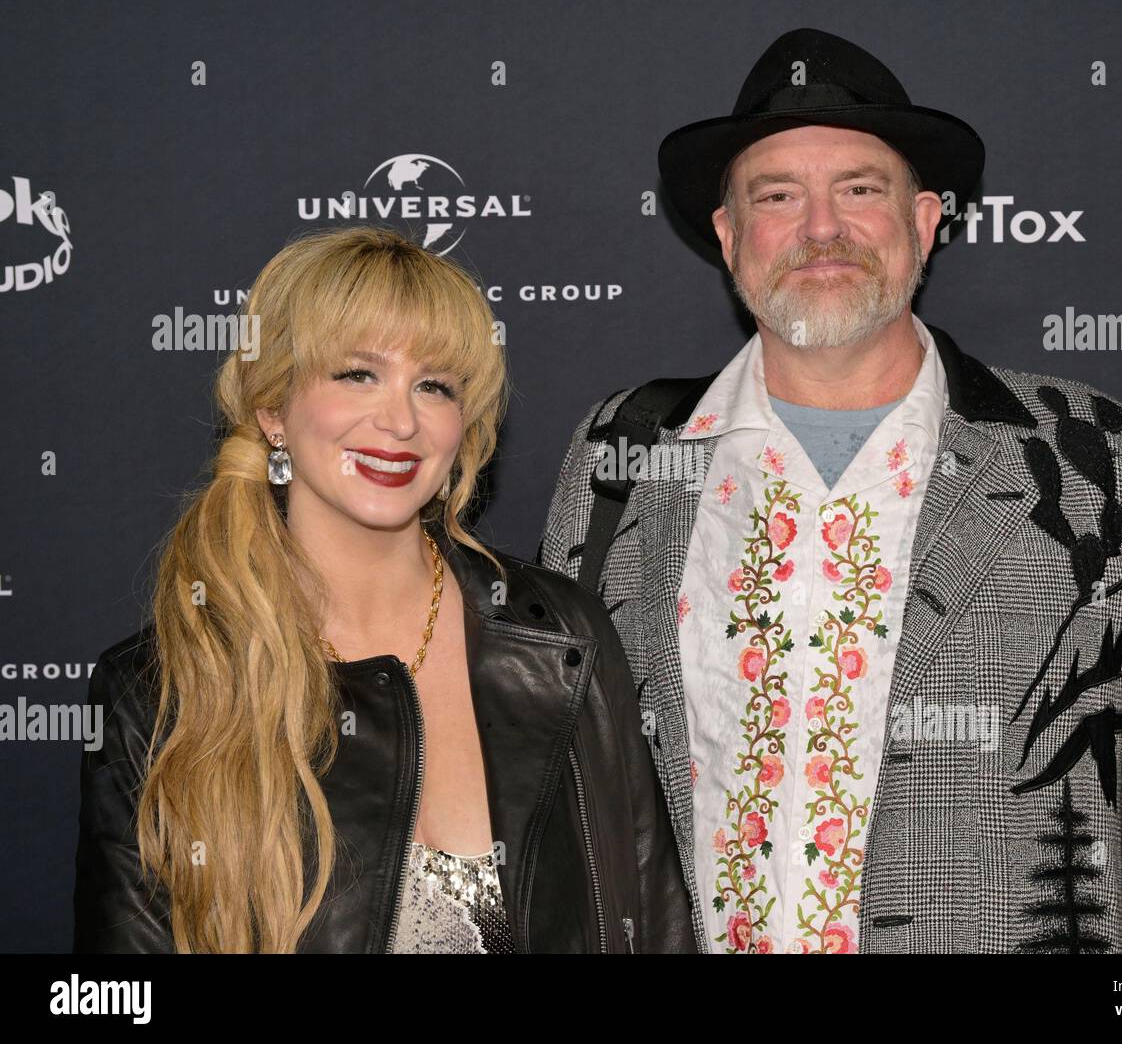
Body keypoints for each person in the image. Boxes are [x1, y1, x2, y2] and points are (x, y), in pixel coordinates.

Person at [540, 28, 1122, 953]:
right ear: (731, 238)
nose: (822, 228)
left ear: (926, 222)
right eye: (779, 196)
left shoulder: (1090, 457)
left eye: (860, 189)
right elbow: (557, 790)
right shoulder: (627, 452)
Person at [73, 225, 694, 953]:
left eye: (434, 385)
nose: (400, 421)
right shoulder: (162, 689)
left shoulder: (563, 633)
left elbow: (654, 923)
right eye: (357, 374)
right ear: (273, 408)